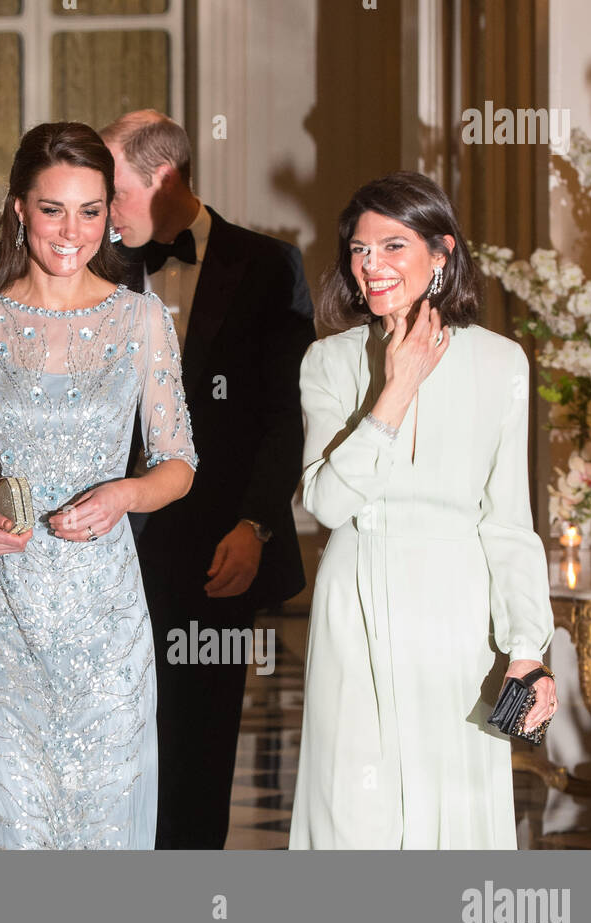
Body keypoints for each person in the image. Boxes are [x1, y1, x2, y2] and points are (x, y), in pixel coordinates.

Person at [0, 121, 197, 851]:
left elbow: (178, 464)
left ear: (110, 214)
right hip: (5, 603)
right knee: (16, 814)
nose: (73, 230)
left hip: (108, 613)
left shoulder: (143, 318)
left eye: (91, 210)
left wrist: (124, 495)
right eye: (53, 209)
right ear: (18, 210)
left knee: (106, 815)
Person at [288, 173, 557, 850]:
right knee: (351, 806)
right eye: (358, 249)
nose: (370, 265)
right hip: (353, 607)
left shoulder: (501, 364)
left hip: (455, 617)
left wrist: (527, 650)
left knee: (455, 811)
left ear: (442, 253)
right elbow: (325, 501)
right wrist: (397, 387)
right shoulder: (329, 361)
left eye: (392, 245)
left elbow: (508, 521)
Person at [100, 110, 315, 850]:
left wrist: (255, 523)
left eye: (115, 189)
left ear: (165, 179)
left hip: (215, 550)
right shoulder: (96, 267)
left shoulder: (266, 266)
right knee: (108, 744)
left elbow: (287, 416)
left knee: (198, 743)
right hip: (105, 548)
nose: (104, 209)